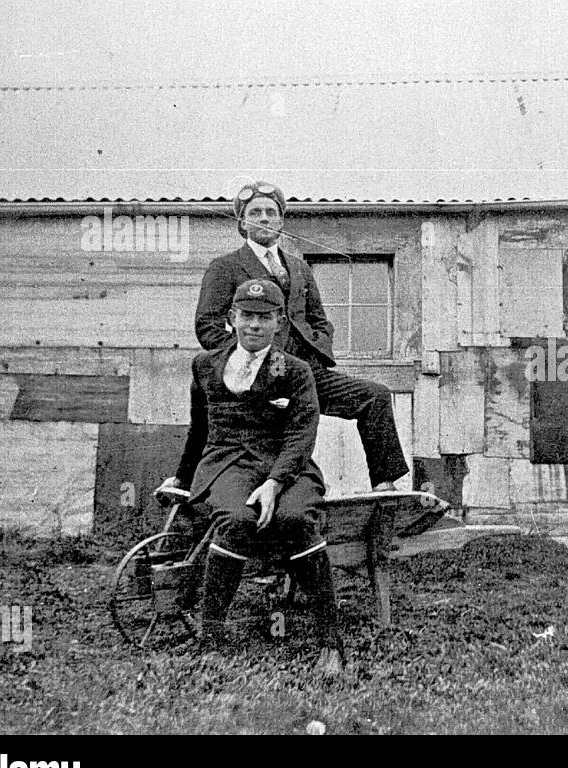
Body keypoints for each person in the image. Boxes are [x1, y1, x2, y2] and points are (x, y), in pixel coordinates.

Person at [170, 278, 345, 672]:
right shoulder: (205, 366)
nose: (254, 325)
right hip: (227, 465)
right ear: (232, 318)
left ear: (279, 322)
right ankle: (211, 639)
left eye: (264, 318)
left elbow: (303, 433)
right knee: (235, 520)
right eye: (247, 316)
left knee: (297, 518)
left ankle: (330, 644)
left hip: (287, 467)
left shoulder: (296, 371)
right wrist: (181, 478)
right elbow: (198, 430)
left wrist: (275, 483)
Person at [194, 180, 409, 491]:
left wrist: (317, 349)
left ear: (282, 220)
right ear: (242, 222)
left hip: (306, 372)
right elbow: (208, 326)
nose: (264, 218)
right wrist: (249, 361)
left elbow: (320, 320)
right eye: (255, 212)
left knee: (374, 395)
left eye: (271, 212)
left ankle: (385, 487)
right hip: (259, 378)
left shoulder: (298, 268)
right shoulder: (225, 267)